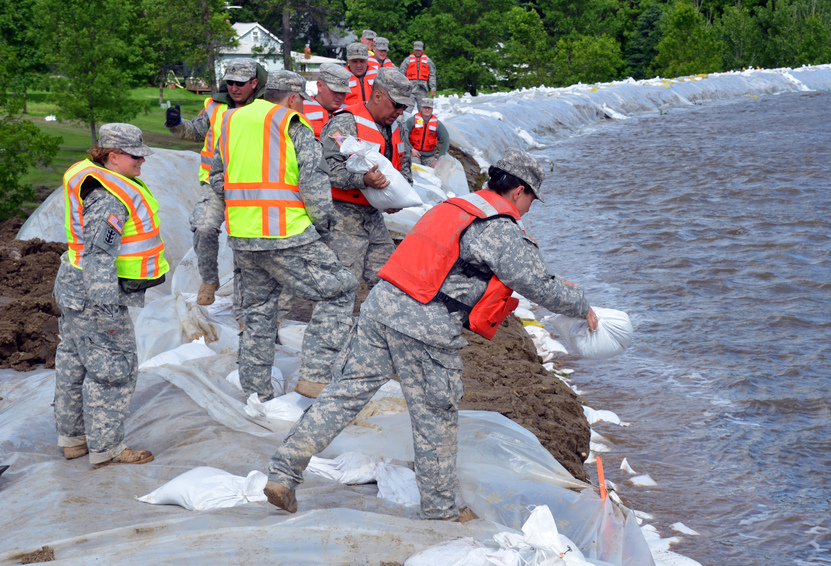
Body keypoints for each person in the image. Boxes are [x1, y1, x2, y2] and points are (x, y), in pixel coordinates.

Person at [263, 149, 598, 519]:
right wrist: (582, 307)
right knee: (434, 417)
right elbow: (537, 284)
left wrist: (553, 282)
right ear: (519, 191)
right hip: (424, 324)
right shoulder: (498, 227)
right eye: (532, 199)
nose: (530, 207)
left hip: (381, 306)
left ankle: (283, 472)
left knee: (344, 394)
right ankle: (441, 511)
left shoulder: (454, 206)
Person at [208, 70, 358, 401]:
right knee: (340, 290)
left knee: (258, 310)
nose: (302, 107)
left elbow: (216, 177)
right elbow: (314, 185)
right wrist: (322, 228)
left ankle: (255, 391)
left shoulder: (231, 121)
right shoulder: (291, 124)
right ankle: (314, 379)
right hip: (286, 233)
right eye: (301, 101)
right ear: (292, 98)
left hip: (243, 236)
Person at [55, 124, 168, 468]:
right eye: (135, 156)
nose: (141, 161)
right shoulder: (109, 197)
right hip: (95, 295)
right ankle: (107, 448)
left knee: (74, 362)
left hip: (73, 287)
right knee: (113, 369)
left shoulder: (96, 177)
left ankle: (74, 440)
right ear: (113, 156)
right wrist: (106, 312)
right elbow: (99, 258)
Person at [165, 58, 267, 307]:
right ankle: (209, 280)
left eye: (240, 83)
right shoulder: (214, 106)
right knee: (203, 227)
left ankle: (248, 296)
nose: (234, 88)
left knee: (248, 240)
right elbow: (195, 132)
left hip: (253, 186)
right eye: (230, 82)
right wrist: (176, 124)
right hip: (214, 184)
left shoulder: (267, 108)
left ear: (254, 83)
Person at [320, 67, 413, 293]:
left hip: (374, 216)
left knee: (389, 284)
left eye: (404, 107)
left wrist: (397, 198)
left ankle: (377, 316)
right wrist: (362, 179)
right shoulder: (345, 123)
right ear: (378, 96)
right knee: (341, 289)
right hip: (343, 218)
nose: (400, 112)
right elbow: (325, 169)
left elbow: (405, 166)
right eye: (397, 105)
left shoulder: (398, 127)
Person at [302, 62, 352, 139]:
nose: (339, 96)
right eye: (335, 91)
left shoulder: (349, 112)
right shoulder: (301, 109)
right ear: (319, 86)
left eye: (343, 92)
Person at [403, 98, 449, 168]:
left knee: (437, 169)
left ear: (432, 109)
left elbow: (445, 140)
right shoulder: (412, 121)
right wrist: (411, 149)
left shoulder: (437, 124)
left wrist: (439, 158)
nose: (427, 110)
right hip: (414, 153)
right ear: (421, 108)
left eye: (429, 108)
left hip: (429, 156)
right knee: (416, 168)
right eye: (425, 107)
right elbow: (403, 134)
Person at [399, 42, 436, 108]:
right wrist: (402, 87)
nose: (417, 52)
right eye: (416, 50)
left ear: (422, 50)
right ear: (413, 49)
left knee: (423, 108)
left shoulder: (428, 61)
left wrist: (433, 88)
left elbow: (432, 75)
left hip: (422, 89)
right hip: (409, 88)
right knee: (407, 108)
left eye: (419, 50)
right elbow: (401, 74)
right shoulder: (407, 60)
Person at [343, 42, 377, 107]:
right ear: (348, 60)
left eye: (362, 61)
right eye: (354, 61)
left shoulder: (378, 76)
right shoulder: (339, 77)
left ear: (367, 60)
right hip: (348, 113)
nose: (358, 65)